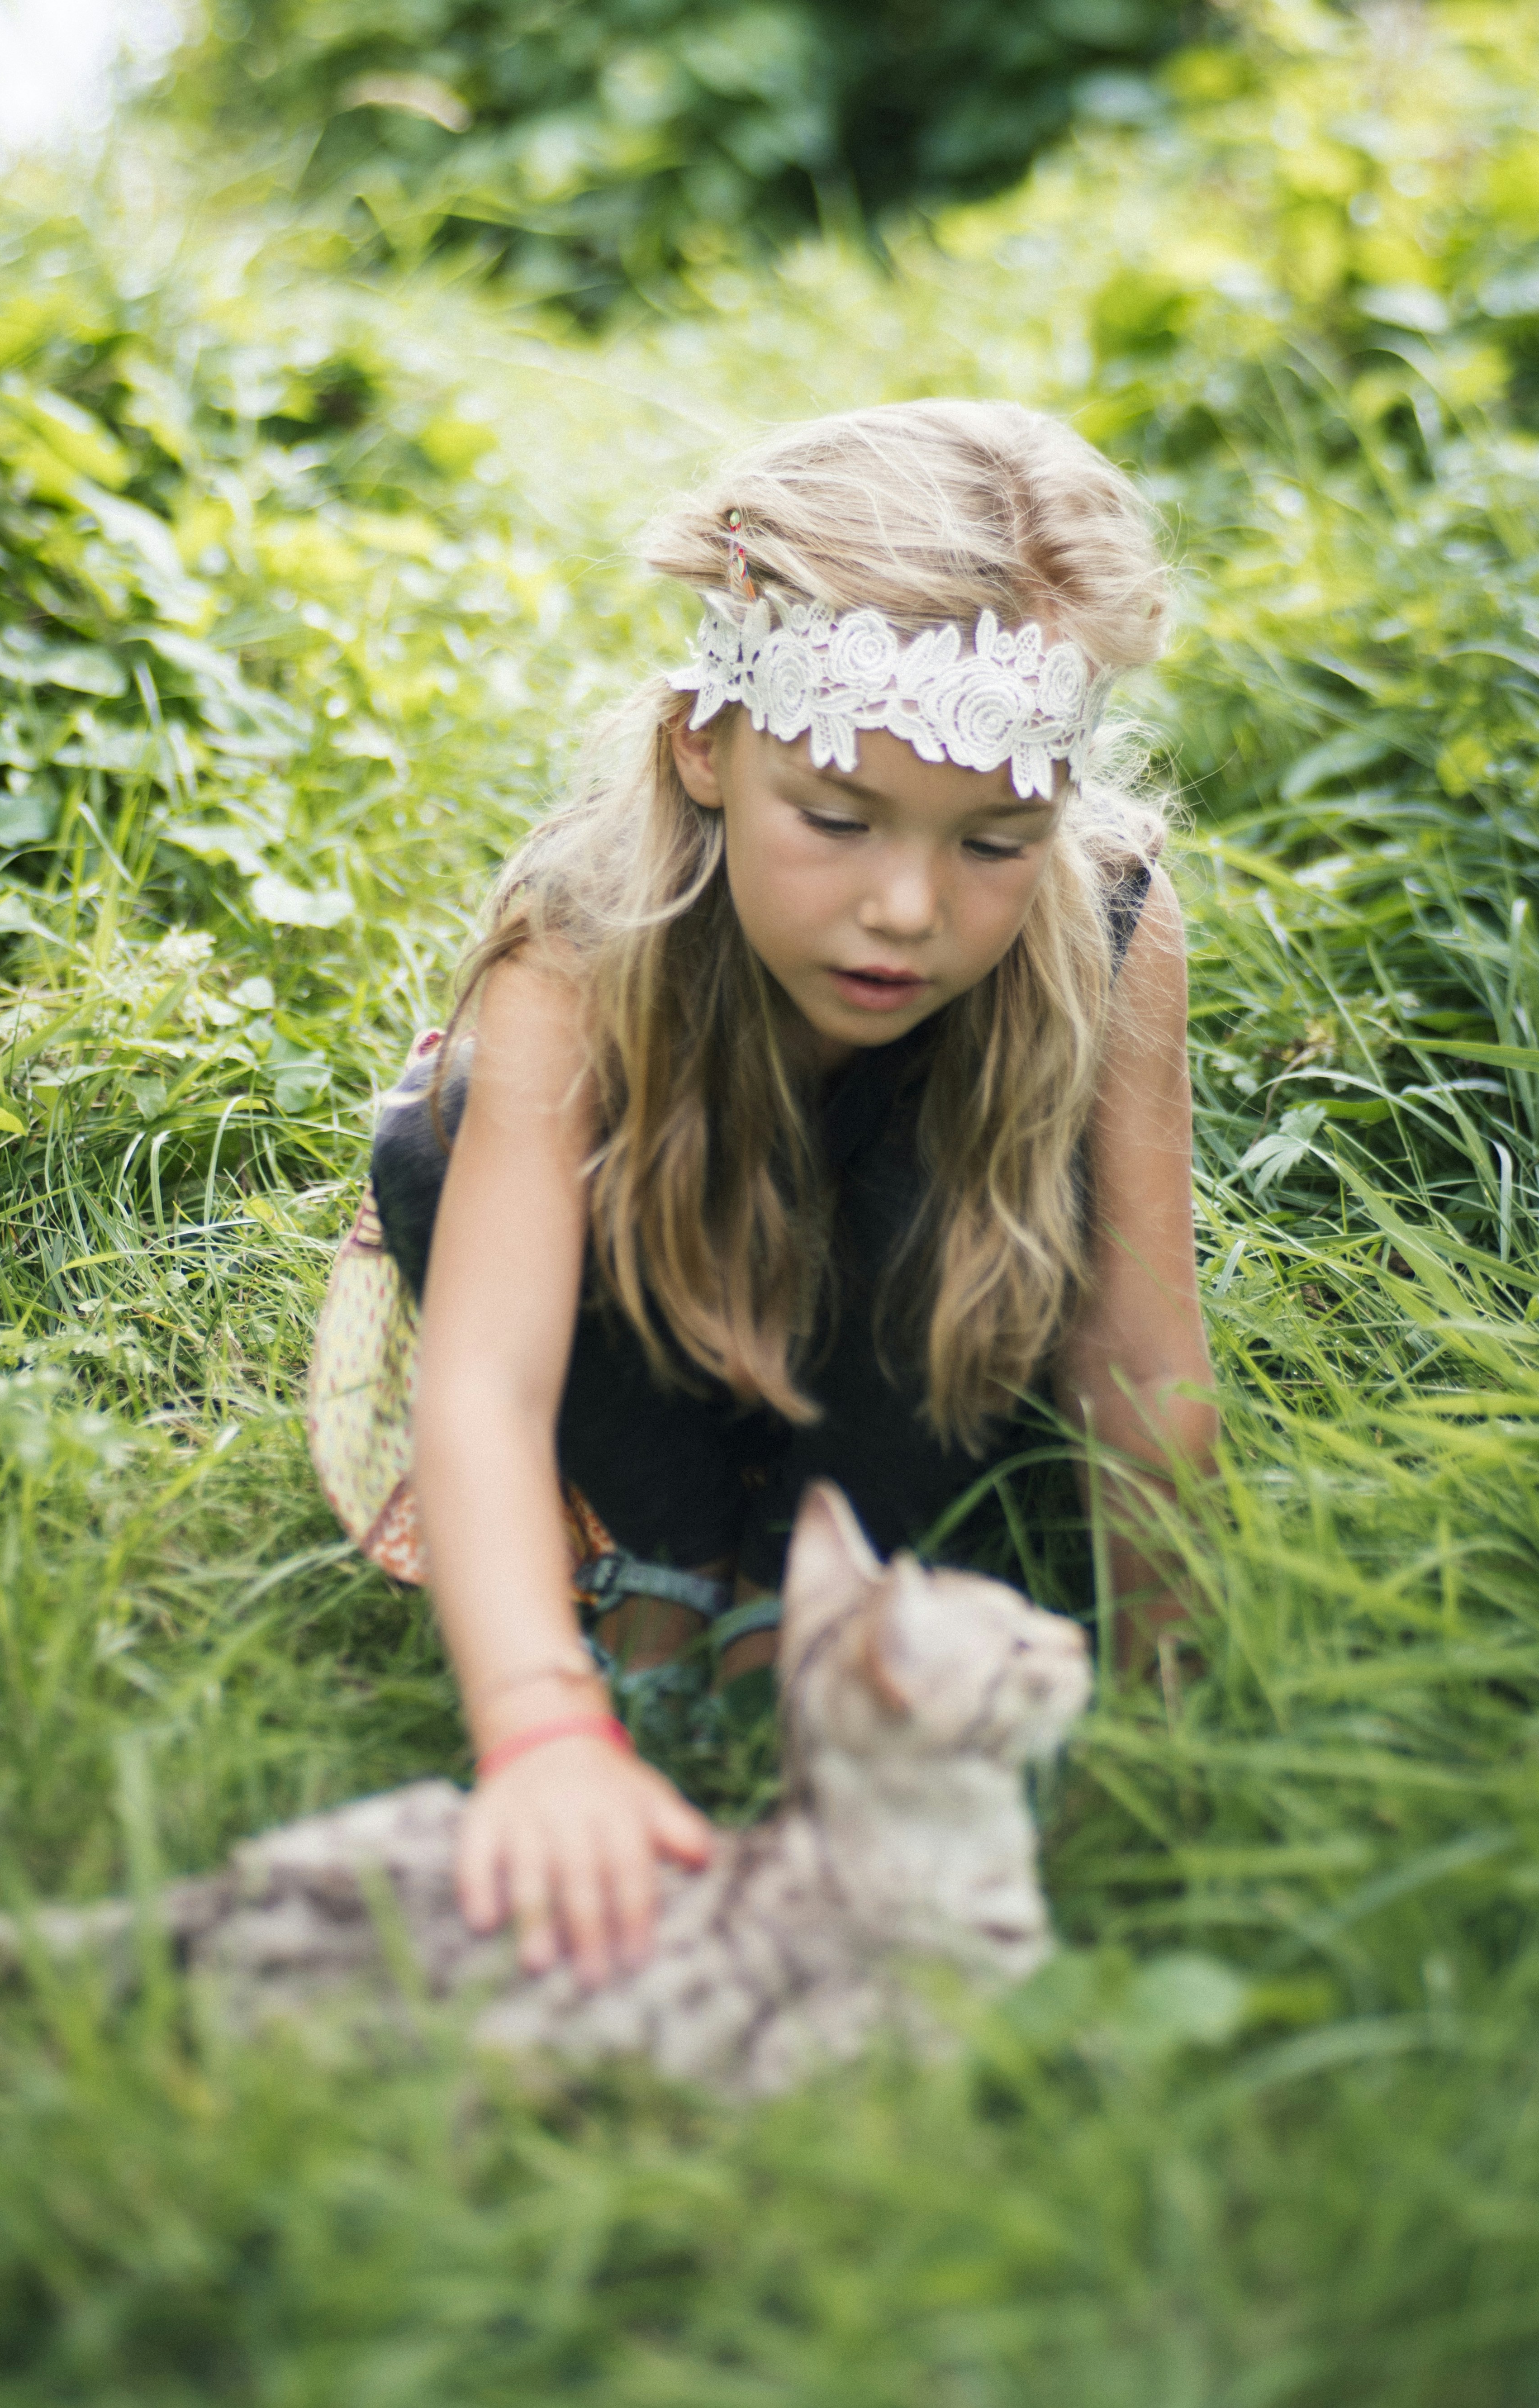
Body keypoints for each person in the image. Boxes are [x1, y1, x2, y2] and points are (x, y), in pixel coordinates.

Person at [379, 401, 1215, 1991]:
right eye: (835, 820)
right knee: (453, 1130)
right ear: (707, 742)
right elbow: (485, 1380)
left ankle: (825, 1586)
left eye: (994, 840)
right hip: (659, 1301)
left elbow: (1140, 1355)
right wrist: (538, 1729)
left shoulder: (1105, 922)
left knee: (968, 1173)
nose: (907, 907)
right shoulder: (586, 935)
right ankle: (665, 1567)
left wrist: (1171, 1684)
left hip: (914, 1332)